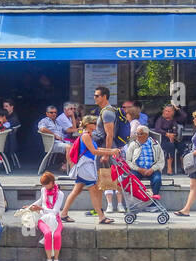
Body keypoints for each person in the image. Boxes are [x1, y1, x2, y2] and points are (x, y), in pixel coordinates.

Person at [58, 115, 114, 224]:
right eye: (94, 123)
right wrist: (111, 152)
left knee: (76, 190)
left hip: (86, 167)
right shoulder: (86, 136)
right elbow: (94, 151)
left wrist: (111, 150)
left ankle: (63, 214)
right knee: (94, 191)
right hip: (85, 167)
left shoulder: (88, 135)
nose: (96, 125)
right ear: (88, 125)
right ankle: (101, 217)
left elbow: (96, 149)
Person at [91, 86, 125, 215]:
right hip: (107, 148)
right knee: (108, 176)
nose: (94, 98)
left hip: (108, 148)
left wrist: (106, 153)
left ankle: (118, 204)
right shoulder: (106, 111)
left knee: (112, 176)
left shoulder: (107, 112)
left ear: (104, 97)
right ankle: (111, 205)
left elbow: (109, 134)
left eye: (97, 95)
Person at [26, 171, 64, 261]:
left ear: (52, 182)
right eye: (43, 184)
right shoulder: (43, 190)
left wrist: (41, 209)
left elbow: (55, 211)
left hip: (55, 219)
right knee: (47, 234)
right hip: (43, 219)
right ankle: (49, 260)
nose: (45, 186)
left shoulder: (60, 194)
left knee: (56, 236)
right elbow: (40, 201)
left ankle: (56, 260)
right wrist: (30, 207)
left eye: (46, 184)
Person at [124, 124, 166, 196]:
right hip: (137, 169)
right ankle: (138, 199)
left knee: (157, 179)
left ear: (146, 135)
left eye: (140, 134)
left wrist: (152, 169)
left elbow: (161, 160)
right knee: (132, 179)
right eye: (136, 133)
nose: (137, 136)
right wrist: (139, 169)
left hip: (152, 169)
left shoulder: (155, 144)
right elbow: (128, 161)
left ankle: (153, 201)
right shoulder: (133, 144)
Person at [154, 103, 189, 174]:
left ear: (173, 112)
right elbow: (157, 129)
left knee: (182, 146)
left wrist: (177, 108)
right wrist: (168, 134)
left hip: (174, 138)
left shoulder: (175, 119)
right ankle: (169, 169)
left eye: (169, 111)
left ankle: (184, 167)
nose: (166, 112)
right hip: (164, 139)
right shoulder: (160, 119)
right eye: (165, 111)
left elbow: (184, 116)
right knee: (170, 146)